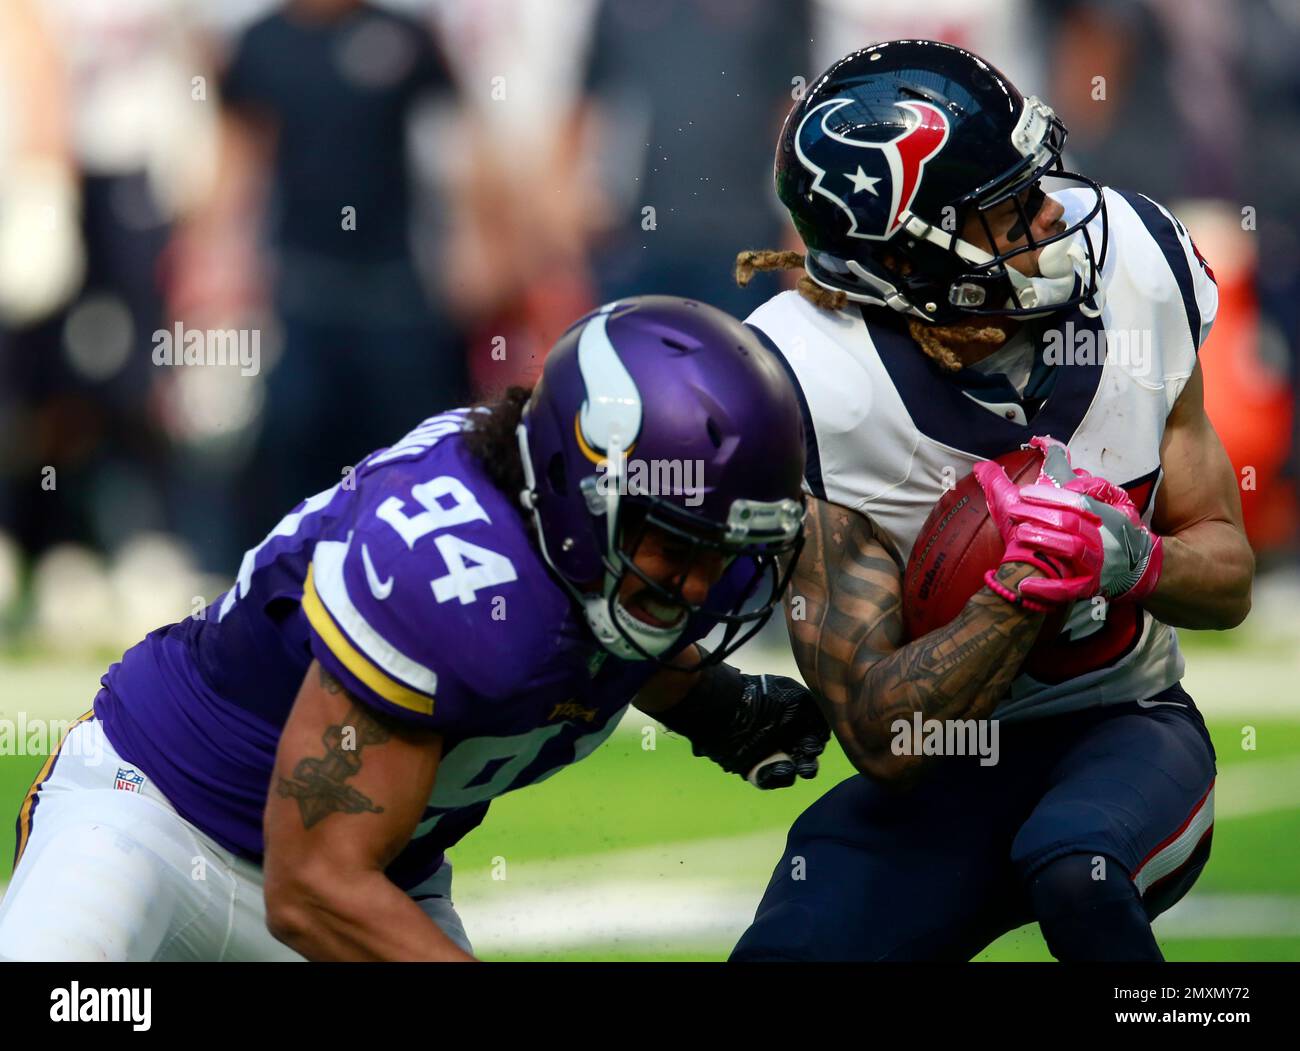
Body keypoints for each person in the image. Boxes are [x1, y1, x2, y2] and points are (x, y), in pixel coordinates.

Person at [0, 295, 827, 961]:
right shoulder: (451, 576)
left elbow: (618, 618)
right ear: (586, 496)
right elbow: (312, 886)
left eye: (720, 548)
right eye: (675, 543)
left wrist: (715, 703)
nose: (697, 581)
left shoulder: (619, 549)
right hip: (159, 820)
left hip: (384, 873)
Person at [730, 40, 1254, 961]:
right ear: (909, 256)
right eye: (1011, 211)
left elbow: (1230, 575)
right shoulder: (810, 385)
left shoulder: (1134, 263)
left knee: (1075, 866)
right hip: (945, 770)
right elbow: (885, 737)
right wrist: (1018, 588)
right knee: (796, 948)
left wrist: (1131, 556)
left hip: (1126, 726)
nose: (1057, 215)